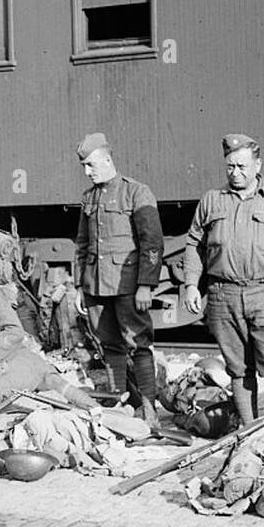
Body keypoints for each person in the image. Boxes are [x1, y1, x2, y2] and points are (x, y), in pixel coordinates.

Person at [182, 134, 264, 427]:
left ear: (258, 165)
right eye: (230, 166)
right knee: (238, 369)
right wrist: (191, 284)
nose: (235, 173)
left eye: (242, 166)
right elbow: (194, 244)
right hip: (223, 295)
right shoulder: (211, 200)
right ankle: (250, 429)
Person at [71, 131, 165, 422]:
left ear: (107, 159)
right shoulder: (89, 198)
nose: (87, 172)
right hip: (96, 285)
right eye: (84, 167)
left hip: (128, 285)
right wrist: (79, 286)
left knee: (139, 343)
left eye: (91, 165)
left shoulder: (136, 192)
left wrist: (146, 285)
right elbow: (82, 244)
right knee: (109, 345)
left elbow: (152, 243)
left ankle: (149, 408)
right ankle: (119, 406)